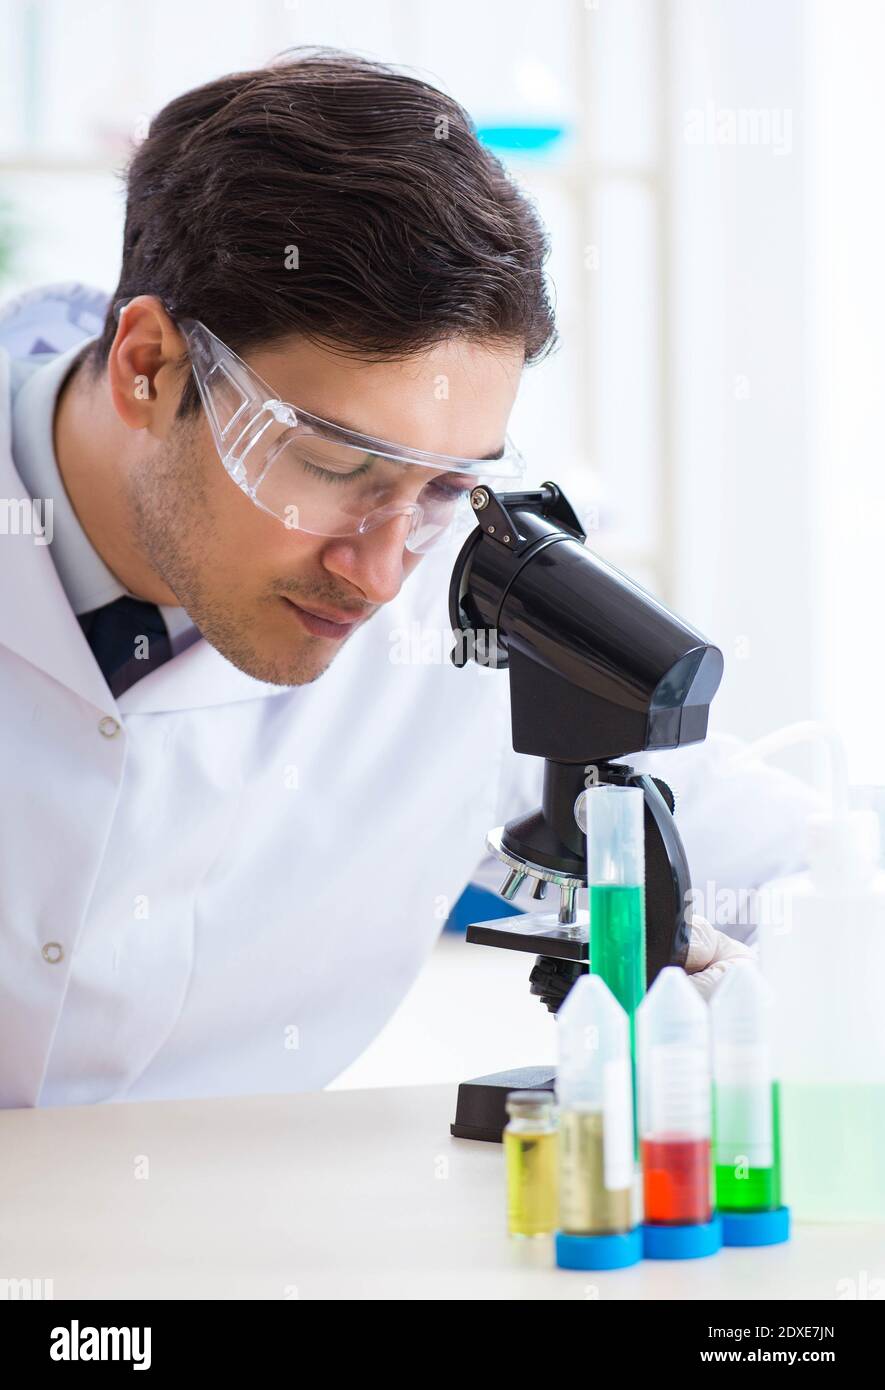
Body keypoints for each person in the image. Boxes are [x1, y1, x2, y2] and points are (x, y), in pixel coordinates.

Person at [0, 50, 817, 1110]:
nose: (382, 574)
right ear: (148, 366)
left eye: (443, 487)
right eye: (336, 468)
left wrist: (756, 1009)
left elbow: (804, 874)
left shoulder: (478, 601)